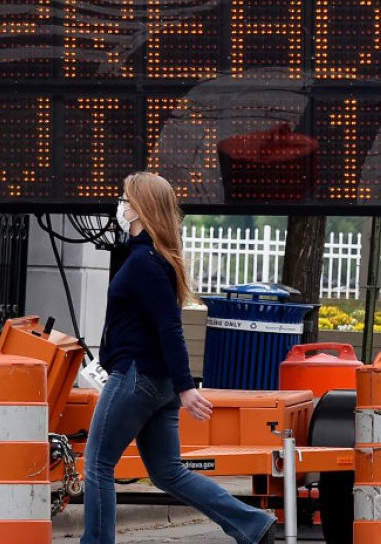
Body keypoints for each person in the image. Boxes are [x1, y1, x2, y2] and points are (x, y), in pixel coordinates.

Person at [81, 172, 277, 544]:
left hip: (137, 377)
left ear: (139, 206)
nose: (119, 204)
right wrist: (178, 387)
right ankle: (253, 525)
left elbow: (170, 327)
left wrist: (187, 388)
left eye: (124, 198)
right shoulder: (152, 258)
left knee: (98, 465)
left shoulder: (145, 262)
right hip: (158, 383)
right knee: (168, 471)